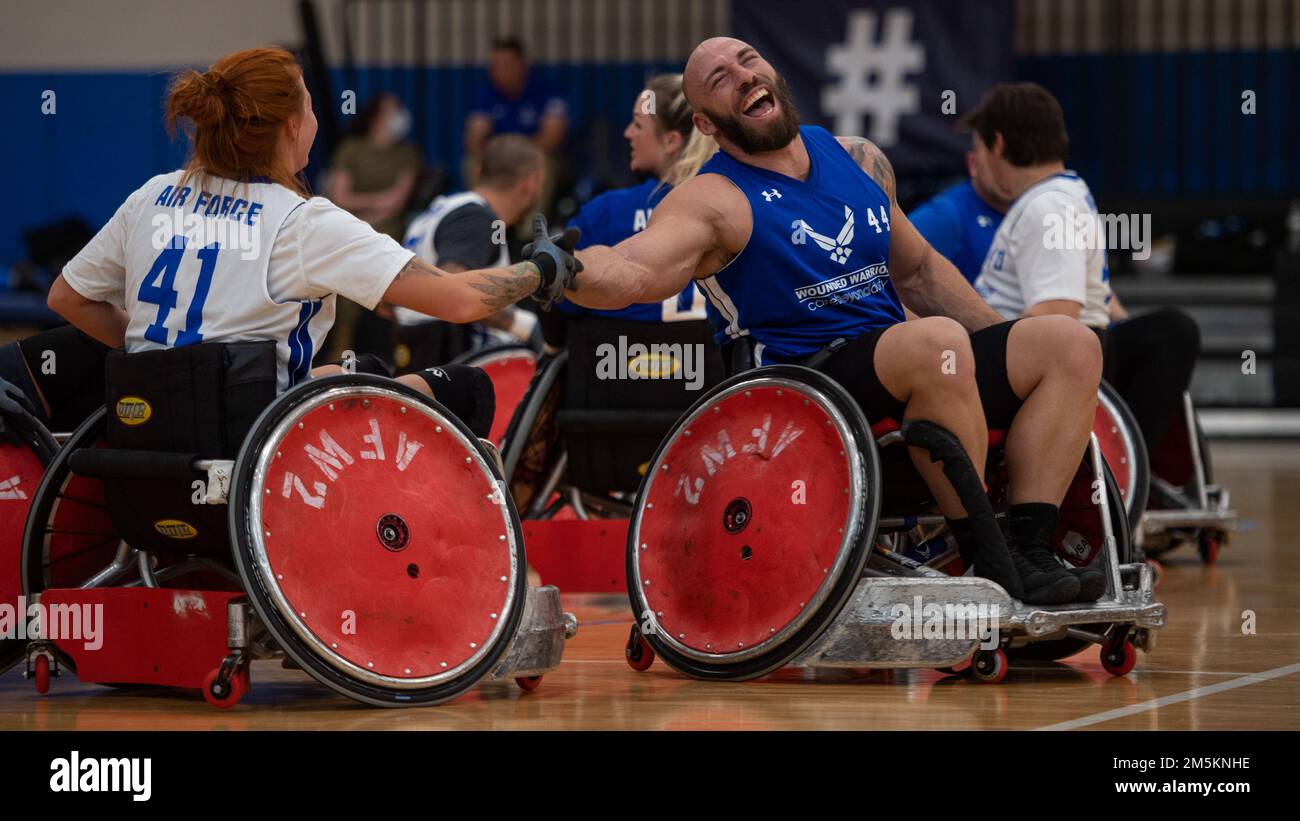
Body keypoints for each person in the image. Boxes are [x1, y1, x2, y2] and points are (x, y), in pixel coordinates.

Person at [548, 38, 1107, 605]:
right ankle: (989, 559)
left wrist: (1002, 352)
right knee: (936, 343)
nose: (742, 76)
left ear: (773, 72)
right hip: (803, 385)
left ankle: (1031, 546)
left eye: (748, 60)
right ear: (705, 122)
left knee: (1067, 343)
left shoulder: (850, 156)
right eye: (720, 78)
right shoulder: (710, 199)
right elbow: (632, 268)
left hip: (897, 358)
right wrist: (563, 268)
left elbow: (920, 272)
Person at [43, 46, 579, 441]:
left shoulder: (152, 196)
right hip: (254, 443)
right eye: (310, 105)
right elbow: (461, 301)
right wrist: (539, 272)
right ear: (292, 127)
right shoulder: (303, 222)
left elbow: (67, 298)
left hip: (147, 429)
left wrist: (164, 366)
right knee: (466, 386)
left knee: (362, 367)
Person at [961, 83, 1199, 450]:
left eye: (978, 148)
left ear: (999, 144)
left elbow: (1059, 315)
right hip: (1079, 353)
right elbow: (1097, 300)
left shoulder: (1049, 207)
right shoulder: (1067, 196)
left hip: (1047, 367)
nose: (977, 166)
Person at [544, 73, 714, 347]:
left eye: (637, 124)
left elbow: (558, 304)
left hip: (613, 375)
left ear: (671, 141)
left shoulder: (606, 212)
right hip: (711, 382)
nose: (627, 133)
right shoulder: (729, 209)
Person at [394, 134, 546, 371]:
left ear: (478, 172)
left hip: (418, 350)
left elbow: (387, 302)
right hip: (447, 359)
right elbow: (449, 291)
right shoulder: (476, 219)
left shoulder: (438, 210)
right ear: (531, 183)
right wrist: (524, 325)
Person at [323, 93, 424, 363]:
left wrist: (365, 214)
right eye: (393, 111)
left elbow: (397, 202)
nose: (399, 117)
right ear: (376, 117)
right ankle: (338, 353)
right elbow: (340, 197)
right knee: (346, 281)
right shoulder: (351, 148)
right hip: (349, 226)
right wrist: (376, 204)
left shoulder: (407, 154)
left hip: (387, 230)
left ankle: (397, 355)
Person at [463, 37, 567, 217]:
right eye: (495, 66)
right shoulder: (486, 94)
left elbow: (552, 138)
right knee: (472, 163)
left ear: (522, 65)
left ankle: (528, 234)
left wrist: (515, 152)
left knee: (544, 165)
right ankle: (488, 222)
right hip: (498, 158)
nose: (500, 72)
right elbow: (473, 141)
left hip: (532, 155)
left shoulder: (545, 91)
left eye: (506, 65)